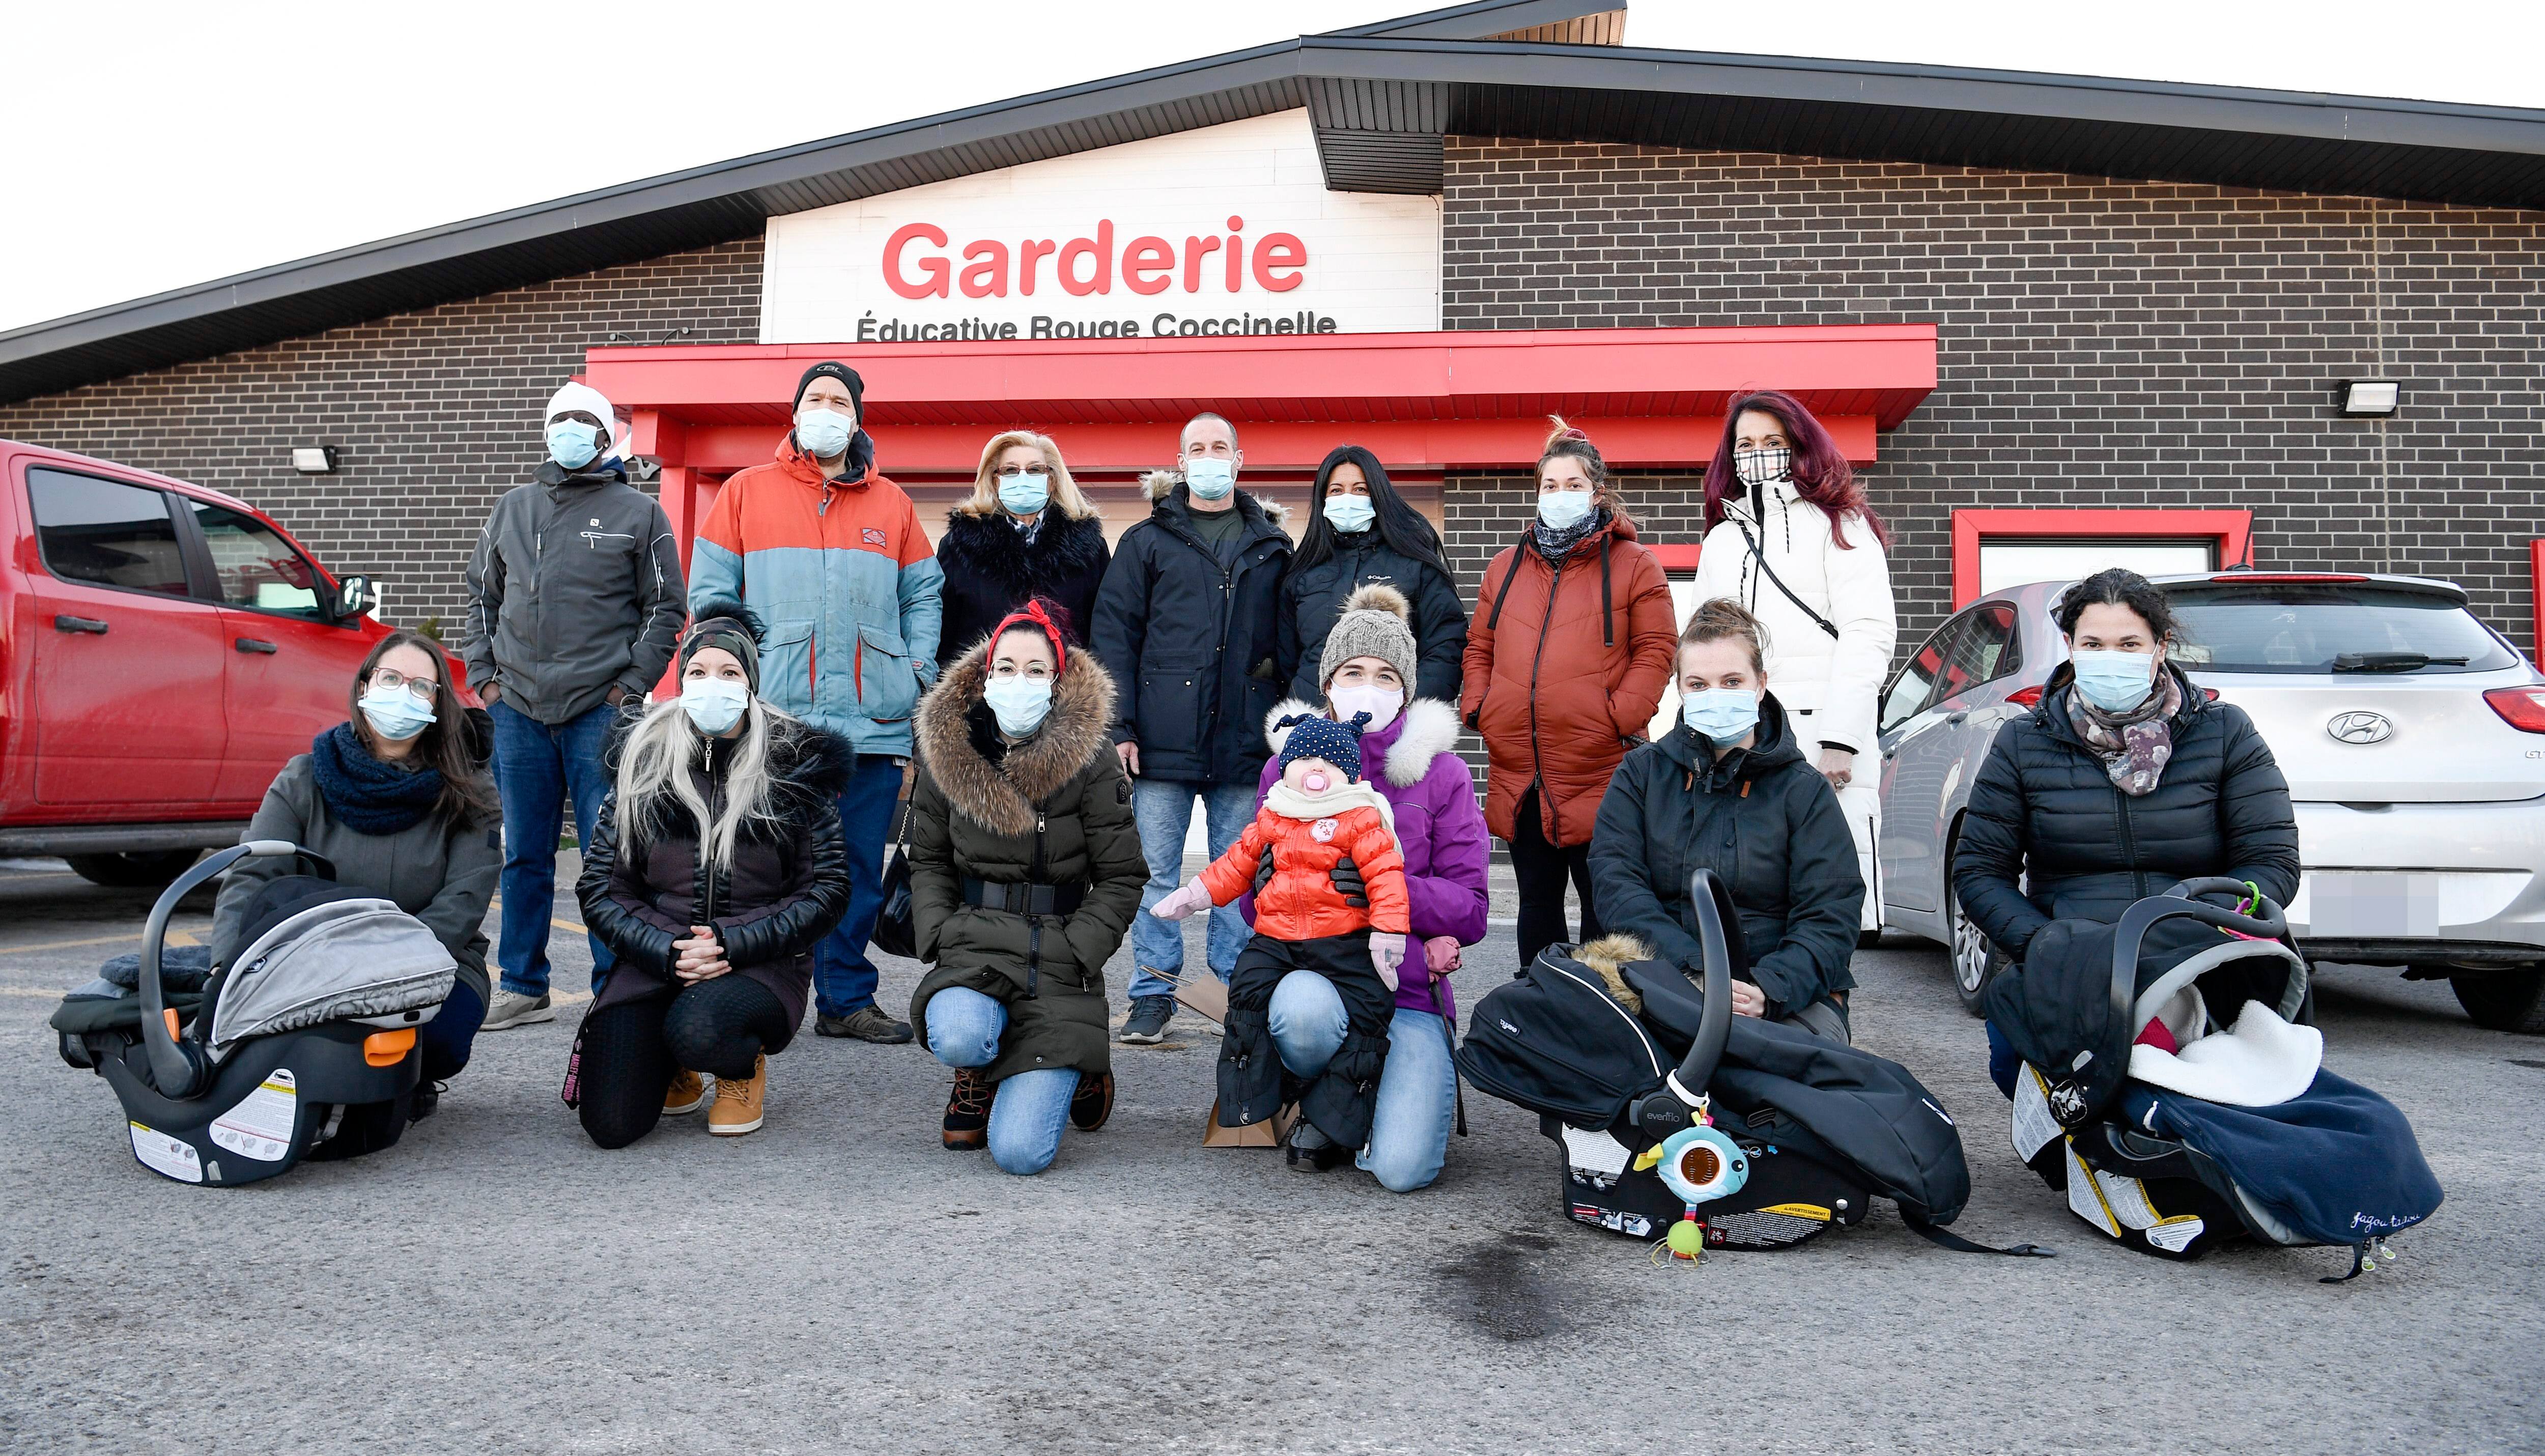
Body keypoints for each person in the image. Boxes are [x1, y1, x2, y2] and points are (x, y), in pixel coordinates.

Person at [689, 361, 943, 1044]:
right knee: (762, 866)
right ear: (796, 412)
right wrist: (735, 680)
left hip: (873, 722)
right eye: (815, 399)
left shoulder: (891, 503)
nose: (826, 409)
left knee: (857, 869)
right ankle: (757, 992)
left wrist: (916, 668)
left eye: (839, 401)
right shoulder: (744, 492)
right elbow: (711, 601)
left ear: (857, 419)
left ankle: (846, 1000)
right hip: (775, 722)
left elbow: (924, 593)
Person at [573, 604, 854, 1146]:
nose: (712, 685)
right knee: (609, 1123)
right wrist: (670, 945)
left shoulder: (795, 763)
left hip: (759, 965)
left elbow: (826, 889)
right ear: (680, 680)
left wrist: (729, 943)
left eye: (729, 673)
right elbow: (602, 889)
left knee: (700, 1028)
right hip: (658, 957)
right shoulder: (642, 762)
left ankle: (737, 1067)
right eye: (698, 672)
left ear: (751, 683)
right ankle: (671, 1061)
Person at [465, 380, 686, 1031]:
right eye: (557, 420)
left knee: (606, 854)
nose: (567, 430)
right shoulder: (512, 507)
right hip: (518, 708)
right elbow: (480, 597)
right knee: (523, 853)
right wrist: (488, 682)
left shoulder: (638, 514)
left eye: (581, 422)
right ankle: (524, 984)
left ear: (604, 436)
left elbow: (665, 606)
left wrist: (629, 688)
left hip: (600, 707)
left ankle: (610, 984)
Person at [1251, 584, 1488, 1190]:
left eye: (1386, 676)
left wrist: (1383, 885)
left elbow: (1470, 909)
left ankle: (1372, 1093)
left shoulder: (1443, 773)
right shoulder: (1284, 772)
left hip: (1405, 992)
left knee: (1403, 1170)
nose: (1367, 686)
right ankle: (1321, 1093)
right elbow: (1256, 894)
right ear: (1327, 683)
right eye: (1352, 671)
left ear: (1406, 689)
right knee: (1300, 1012)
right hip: (1315, 977)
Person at [212, 632, 501, 1122]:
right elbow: (252, 876)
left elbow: (464, 900)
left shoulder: (469, 791)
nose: (402, 692)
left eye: (421, 686)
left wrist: (377, 975)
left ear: (437, 704)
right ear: (365, 686)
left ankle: (403, 1077)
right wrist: (225, 973)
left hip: (426, 962)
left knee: (443, 1038)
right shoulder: (304, 777)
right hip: (306, 962)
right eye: (391, 678)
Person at [1953, 566, 2301, 963]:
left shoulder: (2223, 731)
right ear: (2070, 646)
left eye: (2130, 644)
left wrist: (2207, 923)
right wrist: (2040, 943)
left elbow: (2272, 860)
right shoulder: (2024, 741)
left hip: (2202, 952)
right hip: (2076, 960)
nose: (2110, 658)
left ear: (2161, 647)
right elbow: (1980, 870)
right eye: (2094, 645)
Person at [906, 599, 1145, 1175]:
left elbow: (1121, 875)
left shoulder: (1092, 760)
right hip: (974, 943)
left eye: (1035, 670)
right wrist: (939, 933)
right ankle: (977, 1073)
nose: (1019, 680)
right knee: (961, 1032)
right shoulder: (948, 751)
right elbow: (928, 860)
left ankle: (1081, 1068)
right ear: (984, 677)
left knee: (1019, 1154)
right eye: (1005, 667)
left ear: (1058, 682)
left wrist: (1080, 947)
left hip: (1058, 953)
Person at [1090, 412, 1293, 1045]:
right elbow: (1113, 639)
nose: (1207, 457)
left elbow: (1288, 642)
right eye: (1195, 448)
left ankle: (1232, 987)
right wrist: (1119, 726)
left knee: (1238, 869)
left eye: (1218, 447)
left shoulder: (1272, 546)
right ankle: (1152, 991)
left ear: (1239, 458)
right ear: (1179, 464)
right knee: (1155, 871)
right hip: (1159, 738)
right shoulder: (1146, 541)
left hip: (1243, 737)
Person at [1589, 600, 1862, 1042]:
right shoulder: (1640, 775)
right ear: (1680, 688)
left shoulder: (1804, 790)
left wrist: (1767, 989)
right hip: (1666, 981)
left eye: (1732, 681)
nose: (1715, 694)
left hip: (1782, 999)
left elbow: (1831, 912)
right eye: (1699, 684)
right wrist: (1691, 970)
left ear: (1760, 686)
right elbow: (1617, 884)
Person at [1459, 417, 1677, 970]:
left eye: (1573, 484)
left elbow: (1656, 649)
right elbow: (1478, 646)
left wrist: (1618, 715)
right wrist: (1481, 707)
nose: (1560, 496)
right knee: (1536, 903)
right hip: (1521, 771)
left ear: (1597, 492)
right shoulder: (1504, 568)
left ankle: (1604, 1019)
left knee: (1604, 908)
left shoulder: (1635, 565)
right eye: (1549, 486)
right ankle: (1540, 1014)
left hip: (1600, 770)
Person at [1153, 710, 1409, 1169]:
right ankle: (1253, 1095)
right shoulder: (1274, 814)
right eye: (1306, 759)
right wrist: (1194, 895)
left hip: (1345, 940)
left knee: (1372, 1010)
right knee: (1245, 991)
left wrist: (1388, 933)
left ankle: (1336, 1112)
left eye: (1330, 763)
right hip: (1277, 938)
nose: (1316, 770)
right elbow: (1236, 864)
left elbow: (1387, 877)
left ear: (1348, 774)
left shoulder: (1361, 817)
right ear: (1285, 766)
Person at [1691, 390, 1897, 937]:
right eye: (1745, 444)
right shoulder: (1721, 540)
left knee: (1826, 897)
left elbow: (1867, 633)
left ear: (1799, 446)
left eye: (1772, 442)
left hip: (1821, 737)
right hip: (1739, 736)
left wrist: (1841, 737)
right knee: (1750, 896)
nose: (1757, 453)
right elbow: (1701, 641)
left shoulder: (1840, 525)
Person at [1275, 445, 1468, 704]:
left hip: (1392, 727)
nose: (1348, 498)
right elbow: (1286, 658)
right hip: (1316, 726)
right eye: (1336, 490)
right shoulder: (1304, 570)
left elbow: (1445, 646)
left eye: (1360, 489)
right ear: (1323, 499)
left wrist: (1407, 711)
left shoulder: (1415, 563)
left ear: (1377, 494)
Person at [931, 431, 1110, 672]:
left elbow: (1104, 630)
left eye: (1035, 470)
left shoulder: (1089, 548)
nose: (1023, 478)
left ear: (1052, 480)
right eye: (1011, 471)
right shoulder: (958, 546)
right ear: (995, 480)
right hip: (983, 692)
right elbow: (942, 630)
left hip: (1065, 694)